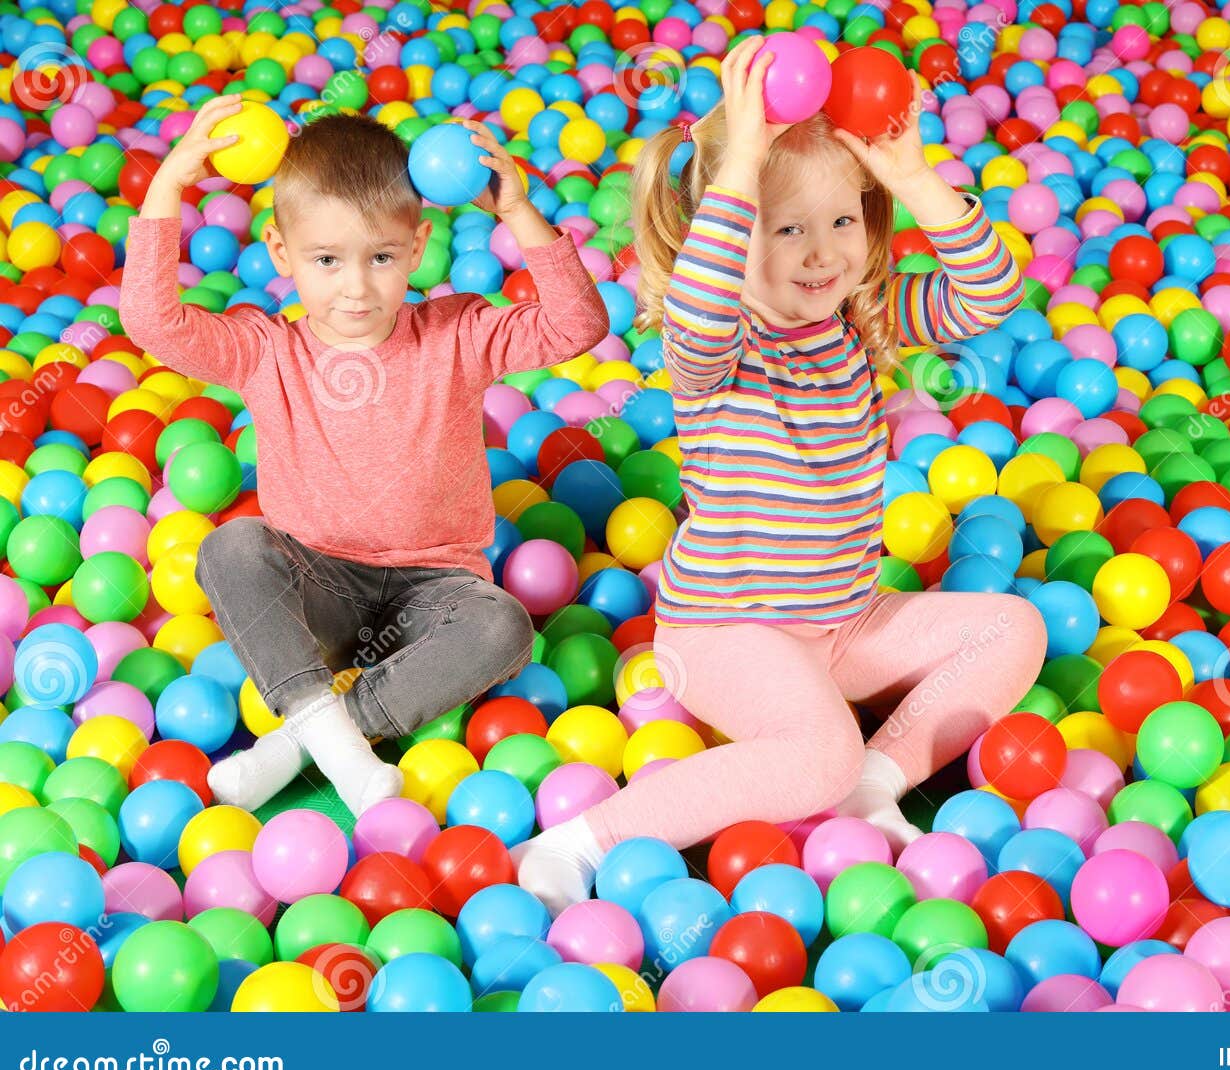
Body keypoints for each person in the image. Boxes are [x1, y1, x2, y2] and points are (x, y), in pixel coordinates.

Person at [515, 40, 1047, 916]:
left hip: (844, 620)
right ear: (727, 236)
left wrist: (911, 178)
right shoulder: (715, 349)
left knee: (1013, 627)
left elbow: (990, 295)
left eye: (842, 221)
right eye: (787, 228)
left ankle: (874, 783)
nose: (822, 253)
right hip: (727, 632)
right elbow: (699, 308)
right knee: (818, 754)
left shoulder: (858, 319)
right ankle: (576, 841)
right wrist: (743, 165)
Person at [120, 97, 609, 815]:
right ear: (281, 253)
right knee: (231, 546)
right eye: (326, 260)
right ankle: (327, 729)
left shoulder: (456, 334)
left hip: (435, 593)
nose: (355, 287)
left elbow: (579, 325)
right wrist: (168, 185)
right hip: (317, 595)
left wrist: (518, 212)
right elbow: (150, 320)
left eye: (381, 257)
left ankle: (307, 741)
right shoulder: (264, 350)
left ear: (417, 246)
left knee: (502, 627)